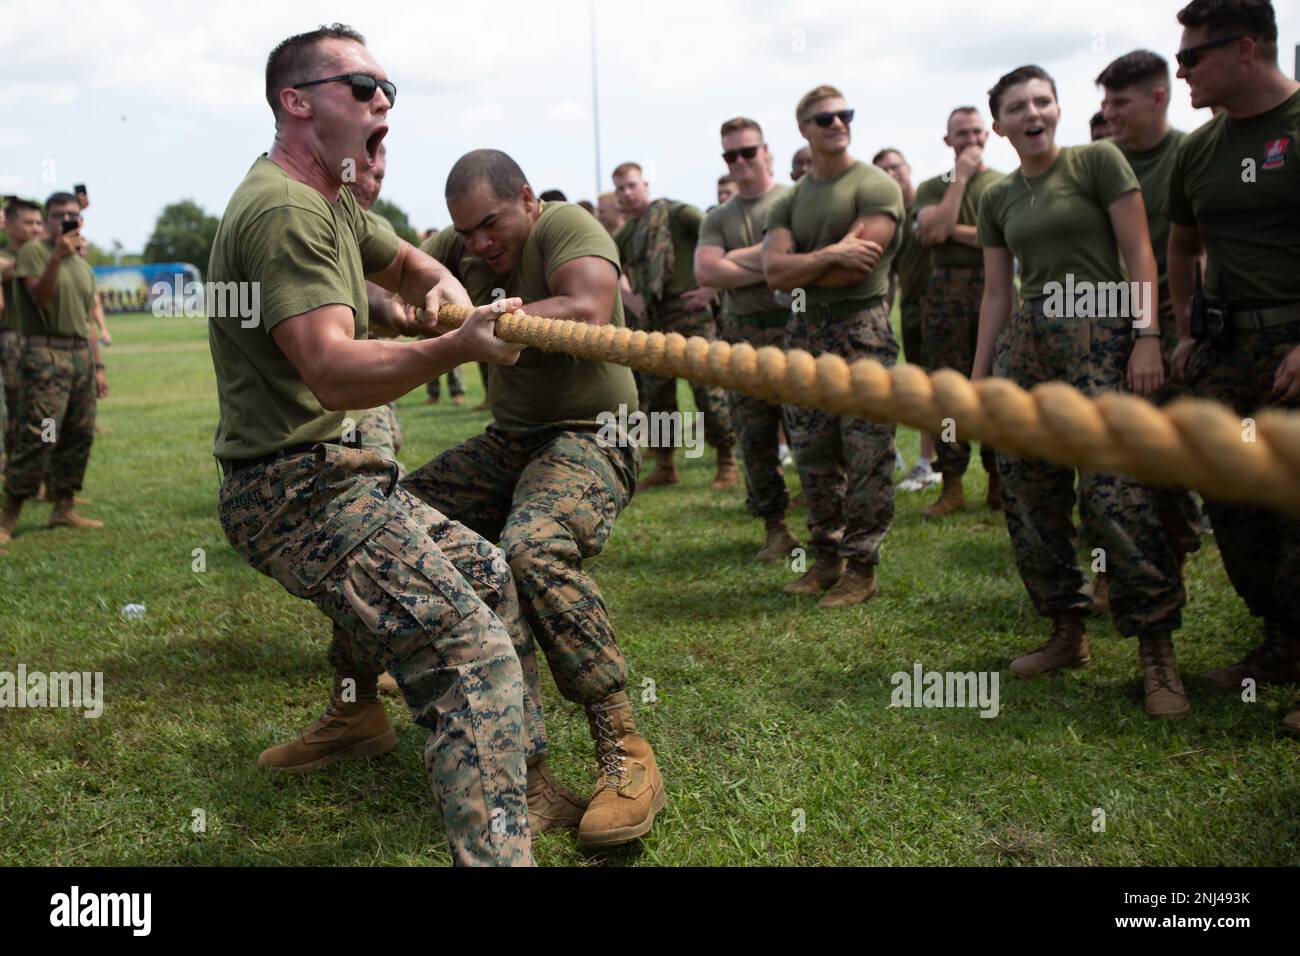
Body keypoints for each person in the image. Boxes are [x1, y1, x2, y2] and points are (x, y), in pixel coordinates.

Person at [208, 23, 544, 865]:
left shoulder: (336, 201)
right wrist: (456, 346)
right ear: (296, 102)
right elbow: (330, 372)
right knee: (471, 663)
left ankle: (521, 789)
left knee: (490, 575)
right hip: (293, 489)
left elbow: (411, 267)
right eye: (362, 87)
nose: (383, 101)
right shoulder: (285, 210)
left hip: (337, 474)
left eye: (390, 88)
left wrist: (449, 298)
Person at [404, 149, 664, 846]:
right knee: (385, 517)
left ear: (525, 198)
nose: (481, 245)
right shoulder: (462, 247)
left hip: (591, 434)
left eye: (491, 225)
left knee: (532, 546)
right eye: (467, 235)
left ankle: (625, 750)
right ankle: (358, 707)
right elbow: (391, 267)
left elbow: (588, 305)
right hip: (513, 438)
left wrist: (484, 320)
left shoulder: (567, 225)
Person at [972, 64, 1187, 718]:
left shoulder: (1099, 160)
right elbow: (997, 291)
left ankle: (1157, 651)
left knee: (1113, 491)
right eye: (1017, 107)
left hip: (1100, 334)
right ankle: (1065, 631)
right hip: (1028, 343)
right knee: (1029, 489)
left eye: (1042, 101)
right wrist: (980, 377)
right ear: (1001, 124)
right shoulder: (996, 195)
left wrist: (1147, 335)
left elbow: (1140, 253)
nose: (1032, 113)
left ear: (1058, 109)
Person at [1164, 0, 1300, 732]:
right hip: (1224, 356)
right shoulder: (1200, 149)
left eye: (1191, 57)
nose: (1181, 69)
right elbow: (1182, 249)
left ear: (1246, 49)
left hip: (1295, 351)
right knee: (1236, 511)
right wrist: (1187, 330)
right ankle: (1282, 646)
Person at [763, 84, 904, 608]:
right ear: (804, 128)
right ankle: (826, 558)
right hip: (803, 335)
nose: (837, 123)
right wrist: (831, 252)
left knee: (867, 451)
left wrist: (809, 263)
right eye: (824, 118)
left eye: (845, 114)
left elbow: (856, 268)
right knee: (813, 452)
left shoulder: (875, 184)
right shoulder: (788, 200)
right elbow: (773, 271)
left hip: (861, 331)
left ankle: (861, 566)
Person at [1097, 49, 1202, 572]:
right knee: (1107, 460)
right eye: (1105, 102)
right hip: (1105, 324)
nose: (1109, 113)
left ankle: (1173, 554)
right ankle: (1114, 569)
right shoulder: (1099, 162)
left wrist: (1170, 333)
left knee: (1164, 458)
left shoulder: (1191, 154)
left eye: (1121, 102)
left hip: (1166, 325)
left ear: (1159, 97)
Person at [695, 117, 801, 562]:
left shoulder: (794, 200)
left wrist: (738, 263)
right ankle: (776, 528)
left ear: (767, 151)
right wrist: (770, 261)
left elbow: (798, 258)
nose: (740, 161)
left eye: (747, 151)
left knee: (810, 433)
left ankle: (827, 525)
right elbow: (706, 271)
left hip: (796, 329)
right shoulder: (719, 216)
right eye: (730, 155)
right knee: (754, 437)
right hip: (741, 337)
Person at [612, 161, 738, 489]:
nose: (626, 193)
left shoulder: (679, 214)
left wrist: (711, 286)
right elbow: (608, 266)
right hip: (654, 318)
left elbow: (719, 238)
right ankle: (666, 465)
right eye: (620, 189)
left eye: (631, 185)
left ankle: (727, 461)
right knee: (659, 395)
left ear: (645, 184)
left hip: (692, 312)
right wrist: (630, 299)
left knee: (707, 388)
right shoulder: (627, 232)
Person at [0, 193, 108, 545]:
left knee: (80, 434)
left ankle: (63, 506)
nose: (66, 219)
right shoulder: (35, 252)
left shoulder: (82, 263)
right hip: (46, 355)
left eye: (72, 214)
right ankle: (8, 517)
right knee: (40, 435)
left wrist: (98, 365)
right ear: (47, 220)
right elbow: (38, 298)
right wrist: (57, 257)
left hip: (79, 358)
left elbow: (86, 320)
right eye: (58, 214)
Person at [912, 108, 1004, 515]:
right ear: (947, 141)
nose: (969, 140)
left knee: (997, 387)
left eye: (976, 132)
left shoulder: (1005, 184)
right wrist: (961, 180)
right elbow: (932, 232)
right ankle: (951, 483)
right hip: (944, 296)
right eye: (960, 134)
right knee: (946, 389)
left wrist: (957, 231)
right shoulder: (934, 186)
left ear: (988, 136)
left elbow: (1008, 241)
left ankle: (999, 480)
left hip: (994, 289)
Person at [873, 147, 941, 496]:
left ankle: (938, 463)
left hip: (951, 307)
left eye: (894, 166)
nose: (890, 173)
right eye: (881, 170)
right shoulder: (891, 220)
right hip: (914, 311)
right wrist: (882, 313)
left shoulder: (931, 202)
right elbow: (890, 277)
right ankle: (928, 463)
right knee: (923, 387)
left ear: (909, 167)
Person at [0, 199, 43, 473]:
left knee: (41, 409)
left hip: (40, 340)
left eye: (39, 223)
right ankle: (17, 472)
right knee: (18, 407)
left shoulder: (43, 253)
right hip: (13, 339)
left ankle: (40, 478)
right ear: (8, 225)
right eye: (28, 223)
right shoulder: (7, 258)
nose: (35, 229)